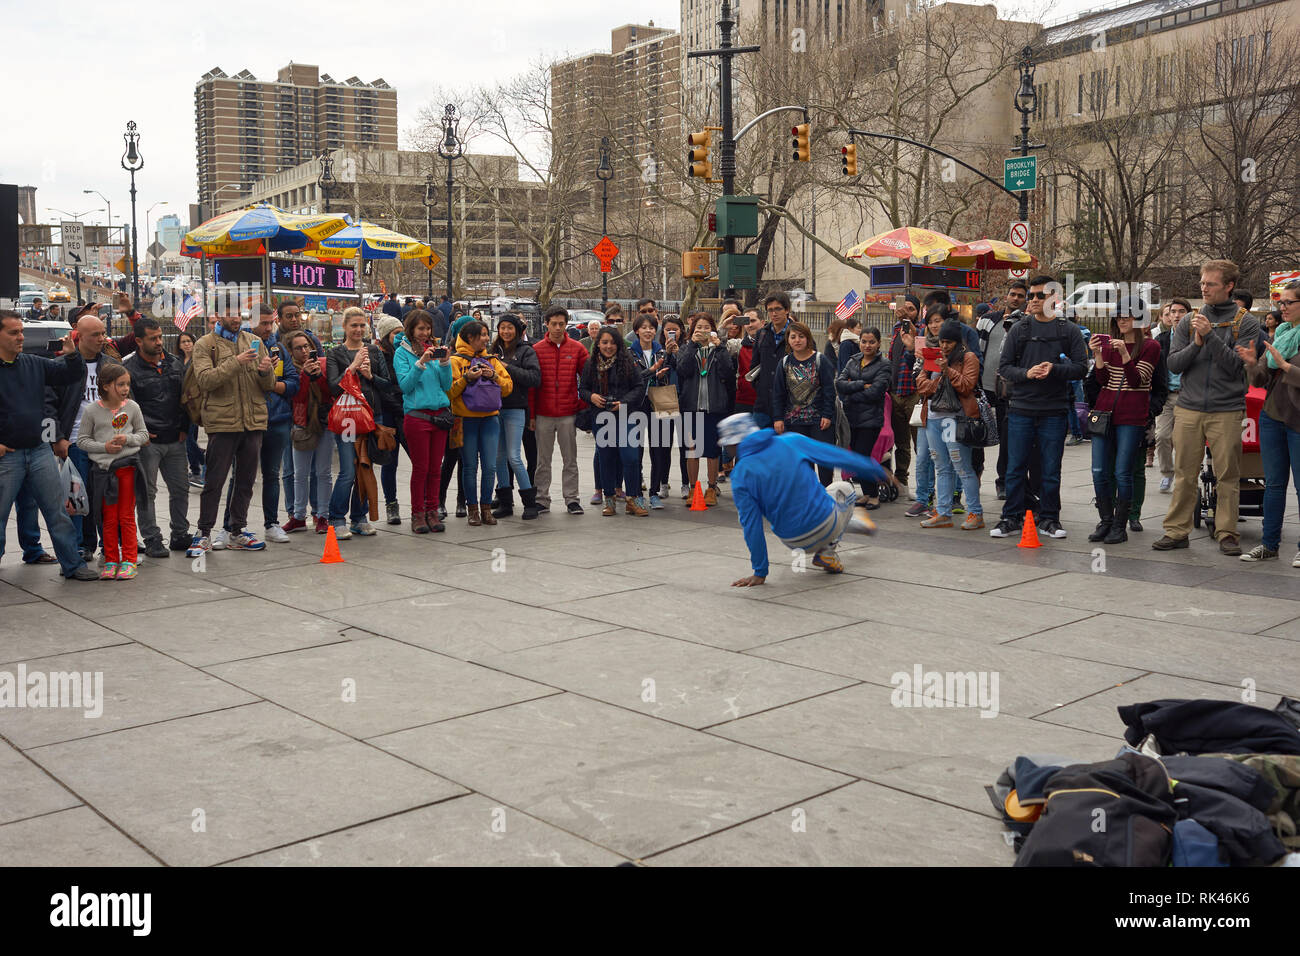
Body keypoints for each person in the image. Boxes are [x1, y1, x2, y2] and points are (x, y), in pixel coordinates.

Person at [1154, 260, 1261, 555]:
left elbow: (1234, 368)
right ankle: (1177, 531)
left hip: (1227, 408)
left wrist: (1211, 337)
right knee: (1184, 473)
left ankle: (1227, 532)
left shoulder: (1246, 322)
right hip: (1188, 407)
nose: (1203, 288)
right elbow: (1174, 363)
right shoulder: (1189, 321)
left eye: (1210, 284)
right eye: (1202, 282)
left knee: (1228, 474)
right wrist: (1197, 343)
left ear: (1228, 286)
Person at [725, 413, 892, 582]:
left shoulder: (740, 475)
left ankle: (859, 526)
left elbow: (751, 524)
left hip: (793, 540)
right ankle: (829, 549)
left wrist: (759, 572)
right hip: (825, 525)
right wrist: (875, 470)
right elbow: (835, 455)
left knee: (831, 501)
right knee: (843, 488)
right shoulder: (790, 441)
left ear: (734, 443)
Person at [0, 311, 98, 580]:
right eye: (13, 332)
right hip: (6, 457)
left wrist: (72, 354)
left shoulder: (33, 363)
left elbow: (68, 374)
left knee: (57, 512)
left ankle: (73, 566)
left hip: (39, 449)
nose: (21, 337)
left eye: (21, 331)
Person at [992, 274, 1088, 541]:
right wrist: (1027, 374)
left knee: (1050, 468)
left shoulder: (1067, 330)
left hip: (1054, 411)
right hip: (1021, 408)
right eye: (1031, 295)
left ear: (1053, 299)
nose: (1033, 300)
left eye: (1039, 295)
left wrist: (1054, 369)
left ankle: (1049, 518)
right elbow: (1005, 368)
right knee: (1015, 467)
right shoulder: (1019, 329)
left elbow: (1082, 367)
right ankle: (1011, 517)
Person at [185, 308, 278, 557]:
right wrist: (236, 363)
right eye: (230, 313)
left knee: (246, 481)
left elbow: (268, 386)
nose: (236, 318)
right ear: (218, 313)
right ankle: (203, 533)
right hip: (222, 422)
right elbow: (205, 380)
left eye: (240, 313)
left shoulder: (254, 341)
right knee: (214, 481)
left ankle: (238, 530)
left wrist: (265, 370)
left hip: (253, 421)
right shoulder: (206, 344)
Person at [1085, 297, 1162, 545]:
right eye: (1118, 317)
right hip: (1104, 413)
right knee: (1098, 471)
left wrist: (1125, 355)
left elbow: (1137, 381)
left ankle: (1120, 525)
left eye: (1127, 316)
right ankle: (1105, 521)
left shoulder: (1151, 347)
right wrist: (1097, 354)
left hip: (1131, 415)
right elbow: (1102, 380)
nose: (1122, 321)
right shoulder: (1109, 346)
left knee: (1123, 472)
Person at [1238, 281, 1300, 565]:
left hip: (1298, 420)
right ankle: (1269, 544)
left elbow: (1284, 370)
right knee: (1274, 484)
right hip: (1272, 415)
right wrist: (1253, 363)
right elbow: (1261, 379)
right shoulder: (1282, 335)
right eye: (1281, 303)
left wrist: (1287, 367)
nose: (1282, 308)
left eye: (1288, 303)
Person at [123, 318, 191, 557]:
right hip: (148, 440)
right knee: (147, 492)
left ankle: (180, 534)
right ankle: (152, 538)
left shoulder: (174, 363)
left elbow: (186, 397)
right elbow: (128, 404)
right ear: (139, 341)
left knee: (181, 489)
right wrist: (140, 433)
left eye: (160, 337)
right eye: (153, 338)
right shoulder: (129, 369)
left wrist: (185, 426)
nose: (159, 342)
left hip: (175, 437)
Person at [76, 364, 149, 579]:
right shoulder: (92, 411)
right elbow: (82, 441)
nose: (125, 388)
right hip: (102, 472)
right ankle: (110, 559)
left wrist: (129, 439)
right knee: (107, 518)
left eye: (127, 384)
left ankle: (128, 559)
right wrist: (104, 447)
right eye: (120, 384)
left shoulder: (133, 407)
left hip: (127, 468)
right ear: (106, 386)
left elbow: (143, 434)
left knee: (126, 516)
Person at [326, 307, 394, 539]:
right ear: (344, 327)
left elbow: (388, 385)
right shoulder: (336, 353)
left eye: (362, 325)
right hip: (347, 419)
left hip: (373, 417)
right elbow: (333, 387)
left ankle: (359, 517)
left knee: (365, 468)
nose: (358, 329)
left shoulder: (374, 351)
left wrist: (370, 376)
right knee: (347, 470)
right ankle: (335, 519)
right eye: (354, 325)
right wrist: (353, 367)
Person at [914, 320, 984, 530]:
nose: (944, 346)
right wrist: (937, 383)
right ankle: (943, 512)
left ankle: (975, 513)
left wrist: (947, 371)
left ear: (958, 342)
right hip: (933, 419)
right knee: (941, 467)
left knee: (962, 467)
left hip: (955, 419)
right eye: (942, 342)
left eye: (949, 342)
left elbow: (966, 385)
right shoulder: (932, 356)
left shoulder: (968, 357)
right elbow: (921, 384)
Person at [392, 310, 453, 533]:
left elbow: (446, 385)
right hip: (417, 416)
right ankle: (417, 514)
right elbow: (406, 386)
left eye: (428, 328)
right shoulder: (401, 353)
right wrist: (420, 363)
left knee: (435, 468)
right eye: (420, 329)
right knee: (421, 468)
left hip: (440, 415)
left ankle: (432, 512)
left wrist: (445, 363)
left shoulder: (434, 350)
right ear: (411, 330)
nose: (425, 333)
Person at [449, 319, 513, 526]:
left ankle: (486, 508)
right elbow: (449, 392)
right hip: (465, 420)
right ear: (470, 338)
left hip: (490, 419)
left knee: (490, 466)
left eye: (487, 334)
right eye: (483, 335)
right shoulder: (456, 361)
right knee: (469, 466)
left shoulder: (492, 360)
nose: (487, 338)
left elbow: (508, 387)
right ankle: (472, 510)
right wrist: (467, 378)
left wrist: (494, 375)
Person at [579, 327, 648, 516]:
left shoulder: (628, 362)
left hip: (626, 415)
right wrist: (591, 396)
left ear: (618, 344)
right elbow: (582, 389)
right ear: (598, 344)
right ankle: (609, 500)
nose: (609, 346)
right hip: (601, 417)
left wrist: (623, 402)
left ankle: (633, 499)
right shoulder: (590, 364)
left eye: (612, 342)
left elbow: (639, 387)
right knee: (606, 458)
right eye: (604, 342)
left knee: (630, 458)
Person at [532, 306, 590, 515]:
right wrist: (531, 415)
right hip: (543, 413)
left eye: (561, 324)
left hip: (567, 413)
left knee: (570, 460)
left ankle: (572, 498)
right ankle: (541, 498)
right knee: (542, 461)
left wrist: (581, 405)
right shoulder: (537, 349)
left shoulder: (577, 349)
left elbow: (588, 378)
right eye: (553, 324)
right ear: (546, 324)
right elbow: (532, 386)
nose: (557, 328)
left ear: (566, 325)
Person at [675, 312, 735, 506]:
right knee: (692, 449)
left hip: (714, 406)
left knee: (712, 450)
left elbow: (728, 372)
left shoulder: (719, 349)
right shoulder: (687, 348)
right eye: (698, 327)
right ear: (693, 330)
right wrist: (692, 345)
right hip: (691, 406)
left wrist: (720, 348)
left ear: (713, 330)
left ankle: (711, 487)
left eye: (706, 327)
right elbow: (682, 370)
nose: (702, 331)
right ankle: (694, 488)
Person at [976, 280, 1028, 501]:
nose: (1015, 298)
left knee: (1008, 439)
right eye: (1012, 294)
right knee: (977, 436)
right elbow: (976, 350)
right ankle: (973, 476)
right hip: (983, 388)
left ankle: (1004, 482)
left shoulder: (1027, 323)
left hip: (1010, 391)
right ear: (1006, 296)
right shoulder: (987, 320)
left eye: (1020, 296)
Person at [772, 320, 837, 489]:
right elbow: (778, 393)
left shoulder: (820, 360)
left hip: (819, 421)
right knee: (802, 462)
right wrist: (778, 418)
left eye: (801, 336)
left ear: (808, 338)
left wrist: (827, 415)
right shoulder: (784, 363)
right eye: (793, 337)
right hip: (794, 422)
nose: (797, 340)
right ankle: (807, 497)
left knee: (823, 460)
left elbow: (830, 390)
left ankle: (826, 493)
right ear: (788, 340)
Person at [282, 330, 334, 535]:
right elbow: (298, 397)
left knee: (323, 472)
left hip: (324, 421)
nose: (304, 351)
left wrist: (318, 375)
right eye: (298, 348)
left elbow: (329, 392)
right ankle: (298, 515)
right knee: (299, 474)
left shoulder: (323, 362)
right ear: (291, 351)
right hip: (302, 423)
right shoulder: (290, 370)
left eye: (307, 346)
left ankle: (323, 515)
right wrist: (304, 374)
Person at [489, 313, 541, 519]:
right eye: (502, 327)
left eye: (510, 328)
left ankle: (529, 503)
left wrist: (507, 368)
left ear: (518, 331)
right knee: (499, 458)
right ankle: (505, 502)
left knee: (514, 456)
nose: (506, 331)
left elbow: (534, 379)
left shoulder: (526, 351)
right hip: (494, 408)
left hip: (516, 408)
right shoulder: (493, 351)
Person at [835, 327, 891, 510]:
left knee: (863, 456)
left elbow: (875, 392)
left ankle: (873, 495)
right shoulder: (853, 361)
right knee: (856, 457)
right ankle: (866, 494)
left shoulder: (884, 364)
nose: (867, 345)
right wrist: (861, 385)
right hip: (851, 418)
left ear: (878, 343)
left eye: (871, 342)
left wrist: (852, 390)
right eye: (864, 341)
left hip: (871, 420)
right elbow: (839, 384)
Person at [903, 307, 944, 518]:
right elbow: (917, 379)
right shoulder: (923, 345)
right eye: (931, 322)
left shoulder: (956, 347)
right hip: (927, 408)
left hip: (949, 411)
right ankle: (923, 499)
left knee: (946, 460)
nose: (935, 325)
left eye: (939, 321)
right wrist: (913, 352)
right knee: (922, 458)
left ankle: (947, 501)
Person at [628, 314, 672, 509]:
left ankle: (654, 492)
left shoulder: (663, 351)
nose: (648, 331)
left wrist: (672, 356)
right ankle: (637, 493)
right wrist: (653, 370)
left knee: (659, 449)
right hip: (637, 404)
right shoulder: (629, 353)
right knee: (635, 450)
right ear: (636, 330)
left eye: (652, 328)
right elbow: (633, 378)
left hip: (660, 401)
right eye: (644, 327)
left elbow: (676, 370)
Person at [374, 315, 408, 526]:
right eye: (396, 333)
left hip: (406, 411)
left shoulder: (406, 353)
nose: (400, 337)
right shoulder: (377, 355)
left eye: (402, 332)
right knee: (389, 461)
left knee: (418, 459)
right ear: (386, 336)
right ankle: (391, 504)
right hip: (388, 413)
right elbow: (384, 388)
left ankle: (424, 503)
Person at [1154, 299, 1189, 493]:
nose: (1176, 315)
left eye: (1181, 311)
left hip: (1188, 396)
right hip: (1167, 395)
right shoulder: (1162, 339)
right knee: (1162, 436)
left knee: (1184, 441)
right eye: (1172, 312)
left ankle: (1184, 477)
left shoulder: (1196, 338)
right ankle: (1167, 473)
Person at [888, 295, 921, 494]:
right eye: (905, 308)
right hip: (896, 392)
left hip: (915, 393)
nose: (907, 312)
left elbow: (921, 353)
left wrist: (908, 327)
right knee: (901, 443)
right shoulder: (895, 331)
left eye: (911, 309)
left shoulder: (923, 330)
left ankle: (925, 486)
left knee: (921, 444)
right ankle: (902, 481)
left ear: (918, 311)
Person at [656, 315, 690, 498]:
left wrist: (677, 353)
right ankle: (663, 482)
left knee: (685, 444)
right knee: (664, 444)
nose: (672, 333)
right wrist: (668, 354)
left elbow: (687, 370)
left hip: (684, 398)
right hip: (665, 398)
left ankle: (686, 482)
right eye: (668, 330)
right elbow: (662, 372)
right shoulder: (660, 350)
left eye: (675, 330)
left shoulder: (686, 349)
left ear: (681, 331)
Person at [752, 292, 793, 429]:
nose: (774, 313)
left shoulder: (798, 334)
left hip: (789, 405)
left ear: (787, 310)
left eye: (778, 309)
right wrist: (760, 387)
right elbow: (754, 367)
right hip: (763, 404)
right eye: (770, 310)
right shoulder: (762, 334)